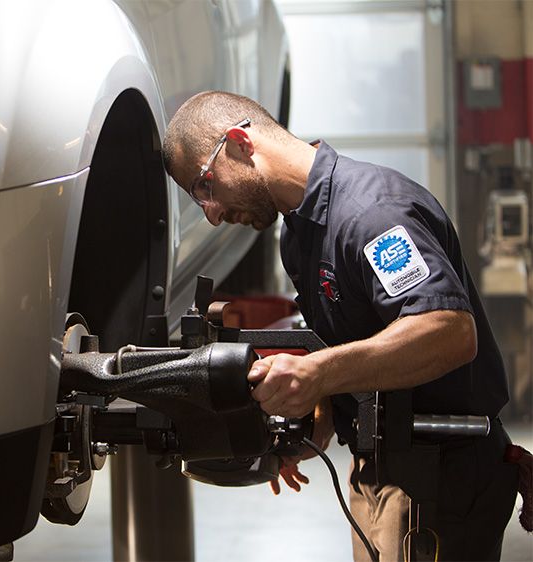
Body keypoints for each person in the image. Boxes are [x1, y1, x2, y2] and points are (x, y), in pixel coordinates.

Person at [162, 90, 519, 561]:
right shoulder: (299, 234)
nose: (210, 214)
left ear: (239, 142)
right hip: (378, 467)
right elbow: (349, 341)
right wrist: (317, 419)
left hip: (437, 474)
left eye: (204, 186)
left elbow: (448, 330)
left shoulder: (371, 215)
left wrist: (318, 374)